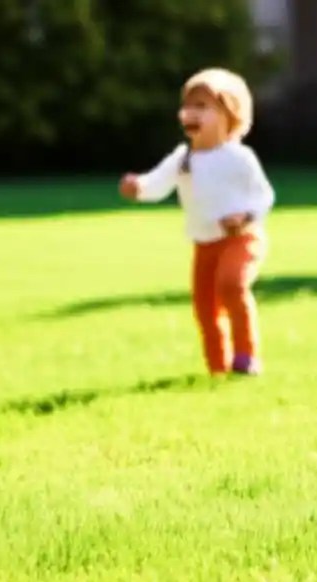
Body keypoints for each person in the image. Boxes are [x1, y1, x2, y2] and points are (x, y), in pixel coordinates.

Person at [118, 68, 275, 377]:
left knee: (231, 284)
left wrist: (246, 217)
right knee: (206, 308)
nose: (190, 113)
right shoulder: (183, 159)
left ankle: (246, 356)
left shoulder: (239, 158)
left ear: (229, 113)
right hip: (205, 243)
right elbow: (157, 183)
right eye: (188, 107)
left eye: (202, 107)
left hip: (241, 239)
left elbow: (264, 196)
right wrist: (139, 187)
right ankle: (217, 365)